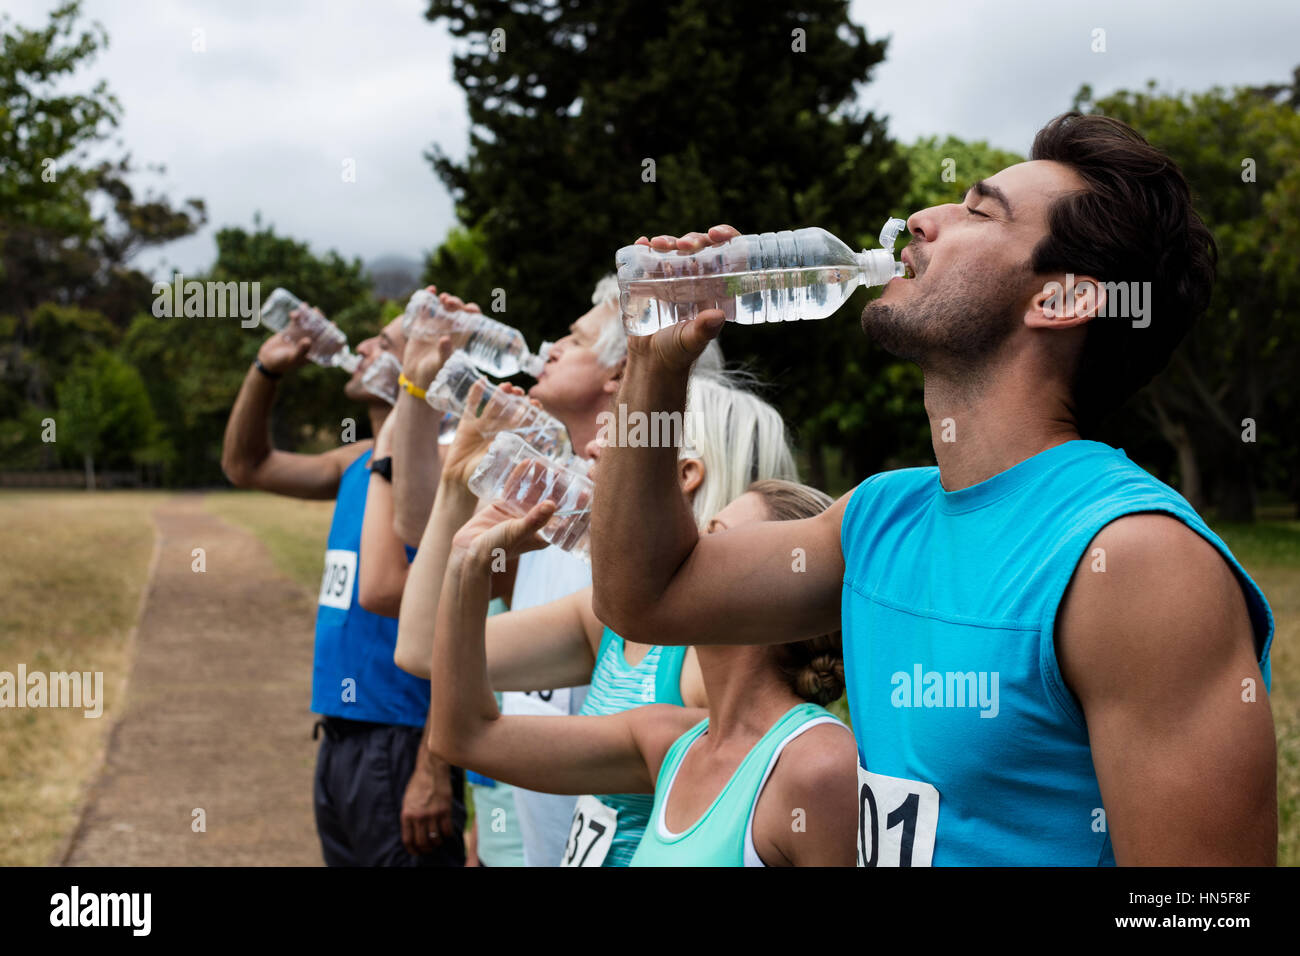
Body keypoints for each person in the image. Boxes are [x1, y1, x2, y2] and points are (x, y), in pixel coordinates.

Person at [589, 112, 1277, 865]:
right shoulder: (881, 518)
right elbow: (643, 597)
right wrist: (657, 363)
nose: (922, 219)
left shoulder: (1132, 560)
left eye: (980, 212)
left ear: (1060, 300)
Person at [398, 369, 797, 865]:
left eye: (614, 437)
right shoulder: (609, 621)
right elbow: (419, 650)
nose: (587, 450)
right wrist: (457, 490)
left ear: (683, 474)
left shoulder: (708, 661)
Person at [427, 479, 858, 866]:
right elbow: (463, 737)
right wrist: (467, 566)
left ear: (783, 593)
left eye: (715, 536)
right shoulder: (670, 742)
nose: (689, 549)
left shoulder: (818, 765)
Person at [220, 306, 464, 866]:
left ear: (424, 363)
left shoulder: (446, 465)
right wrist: (266, 370)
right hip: (340, 736)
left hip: (404, 738)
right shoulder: (359, 462)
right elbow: (245, 465)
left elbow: (469, 622)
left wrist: (432, 766)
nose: (359, 348)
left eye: (381, 342)